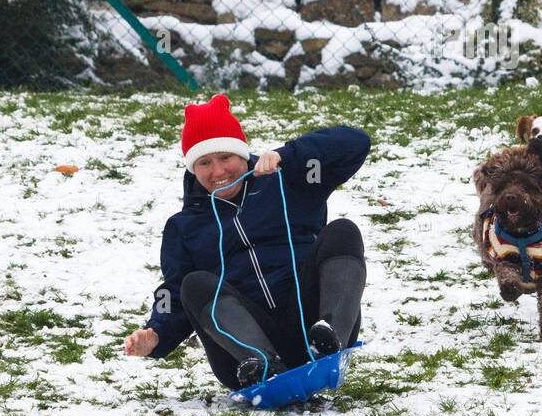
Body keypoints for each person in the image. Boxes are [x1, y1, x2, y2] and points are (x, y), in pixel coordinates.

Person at [123, 93, 371, 390]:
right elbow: (174, 296)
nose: (218, 171)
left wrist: (289, 155)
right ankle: (262, 361)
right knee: (193, 282)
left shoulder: (289, 179)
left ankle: (330, 338)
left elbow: (356, 143)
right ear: (192, 168)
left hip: (308, 324)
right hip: (243, 355)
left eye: (225, 157)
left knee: (343, 230)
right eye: (204, 163)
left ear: (242, 152)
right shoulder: (184, 226)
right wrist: (155, 334)